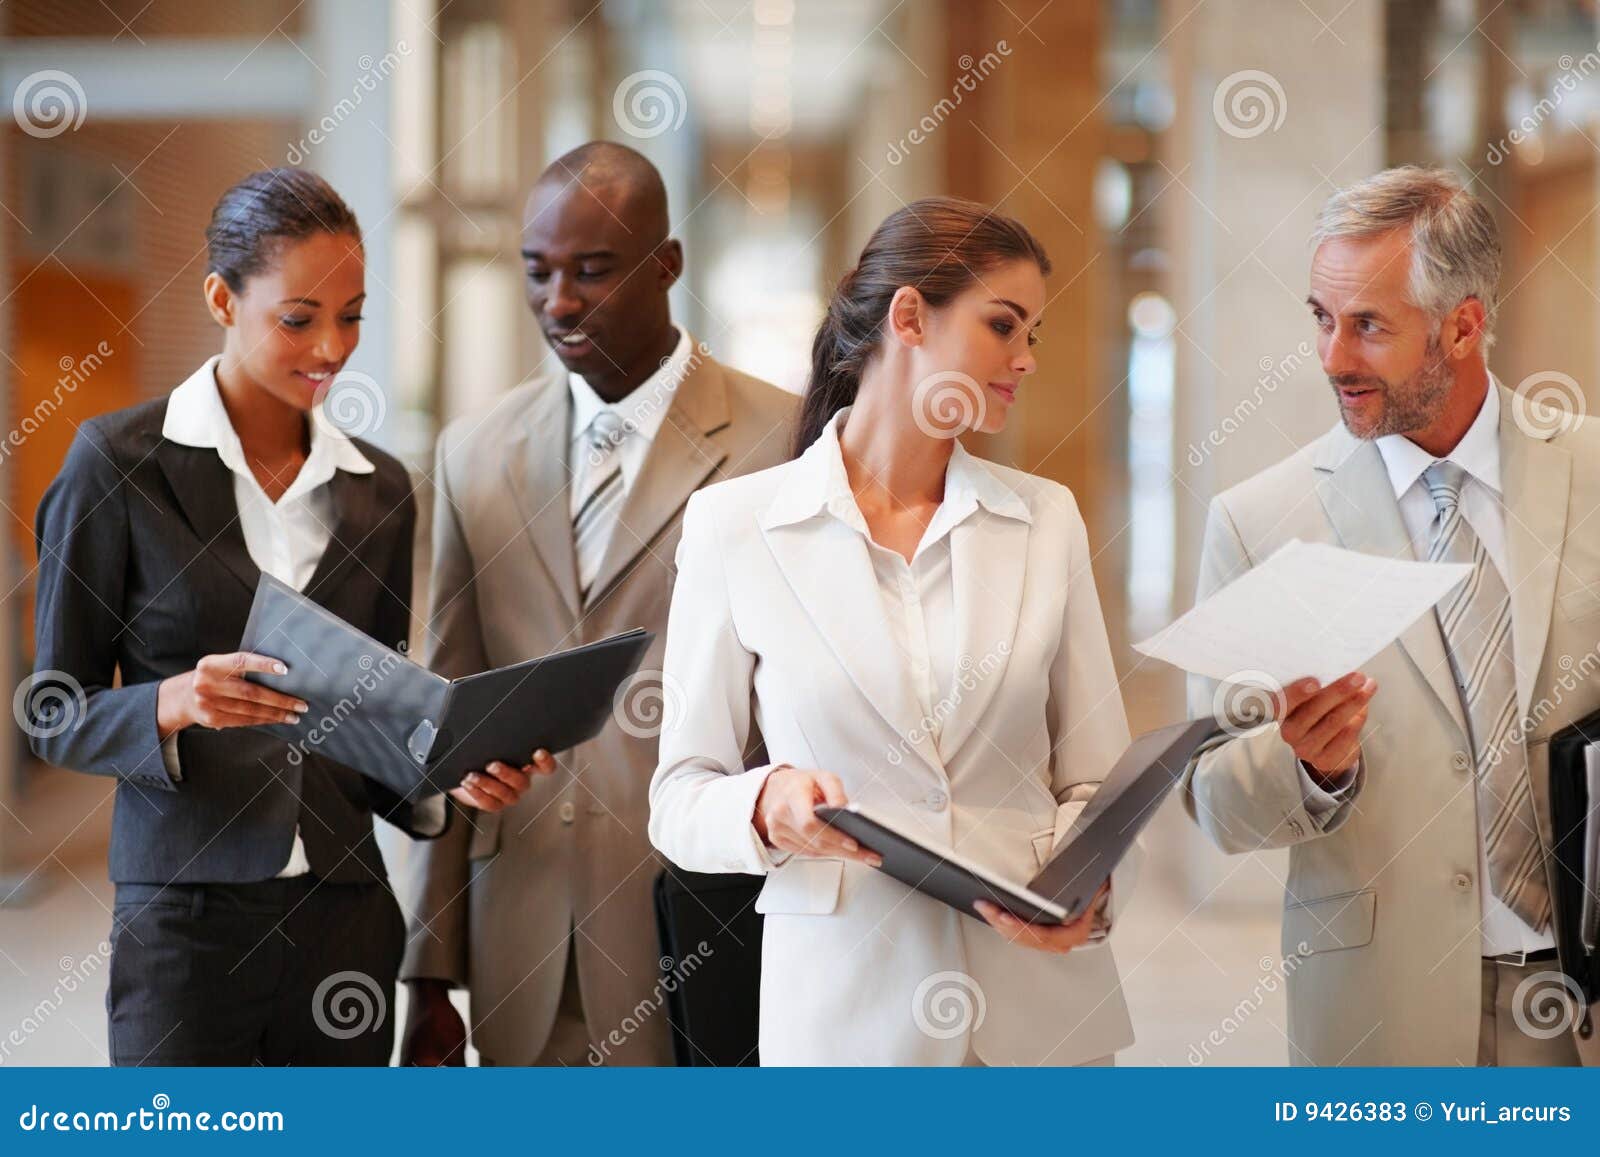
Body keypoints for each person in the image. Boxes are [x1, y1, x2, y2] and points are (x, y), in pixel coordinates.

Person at [28, 167, 540, 1066]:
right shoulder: (116, 464)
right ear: (223, 299)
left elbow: (370, 723)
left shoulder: (379, 490)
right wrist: (174, 701)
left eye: (352, 316)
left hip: (344, 920)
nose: (332, 347)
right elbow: (51, 711)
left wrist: (445, 770)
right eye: (299, 318)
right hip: (185, 919)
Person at [647, 196, 1139, 1066]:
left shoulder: (1045, 518)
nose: (1025, 359)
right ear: (910, 316)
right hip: (847, 1024)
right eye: (1003, 326)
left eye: (1033, 333)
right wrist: (766, 805)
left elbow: (1100, 781)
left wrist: (1084, 897)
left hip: (1040, 1024)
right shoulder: (735, 527)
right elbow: (680, 795)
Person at [1183, 166, 1600, 1066]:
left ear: (1463, 323)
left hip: (1581, 1002)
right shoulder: (1261, 524)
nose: (1334, 356)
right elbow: (1213, 801)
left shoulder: (1594, 470)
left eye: (1369, 325)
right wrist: (1307, 769)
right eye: (1322, 318)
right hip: (1383, 1016)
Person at [399, 141, 795, 1067]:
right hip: (521, 928)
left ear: (667, 266)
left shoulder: (786, 436)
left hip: (709, 919)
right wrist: (426, 969)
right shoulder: (474, 453)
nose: (560, 302)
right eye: (537, 273)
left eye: (592, 271)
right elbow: (446, 701)